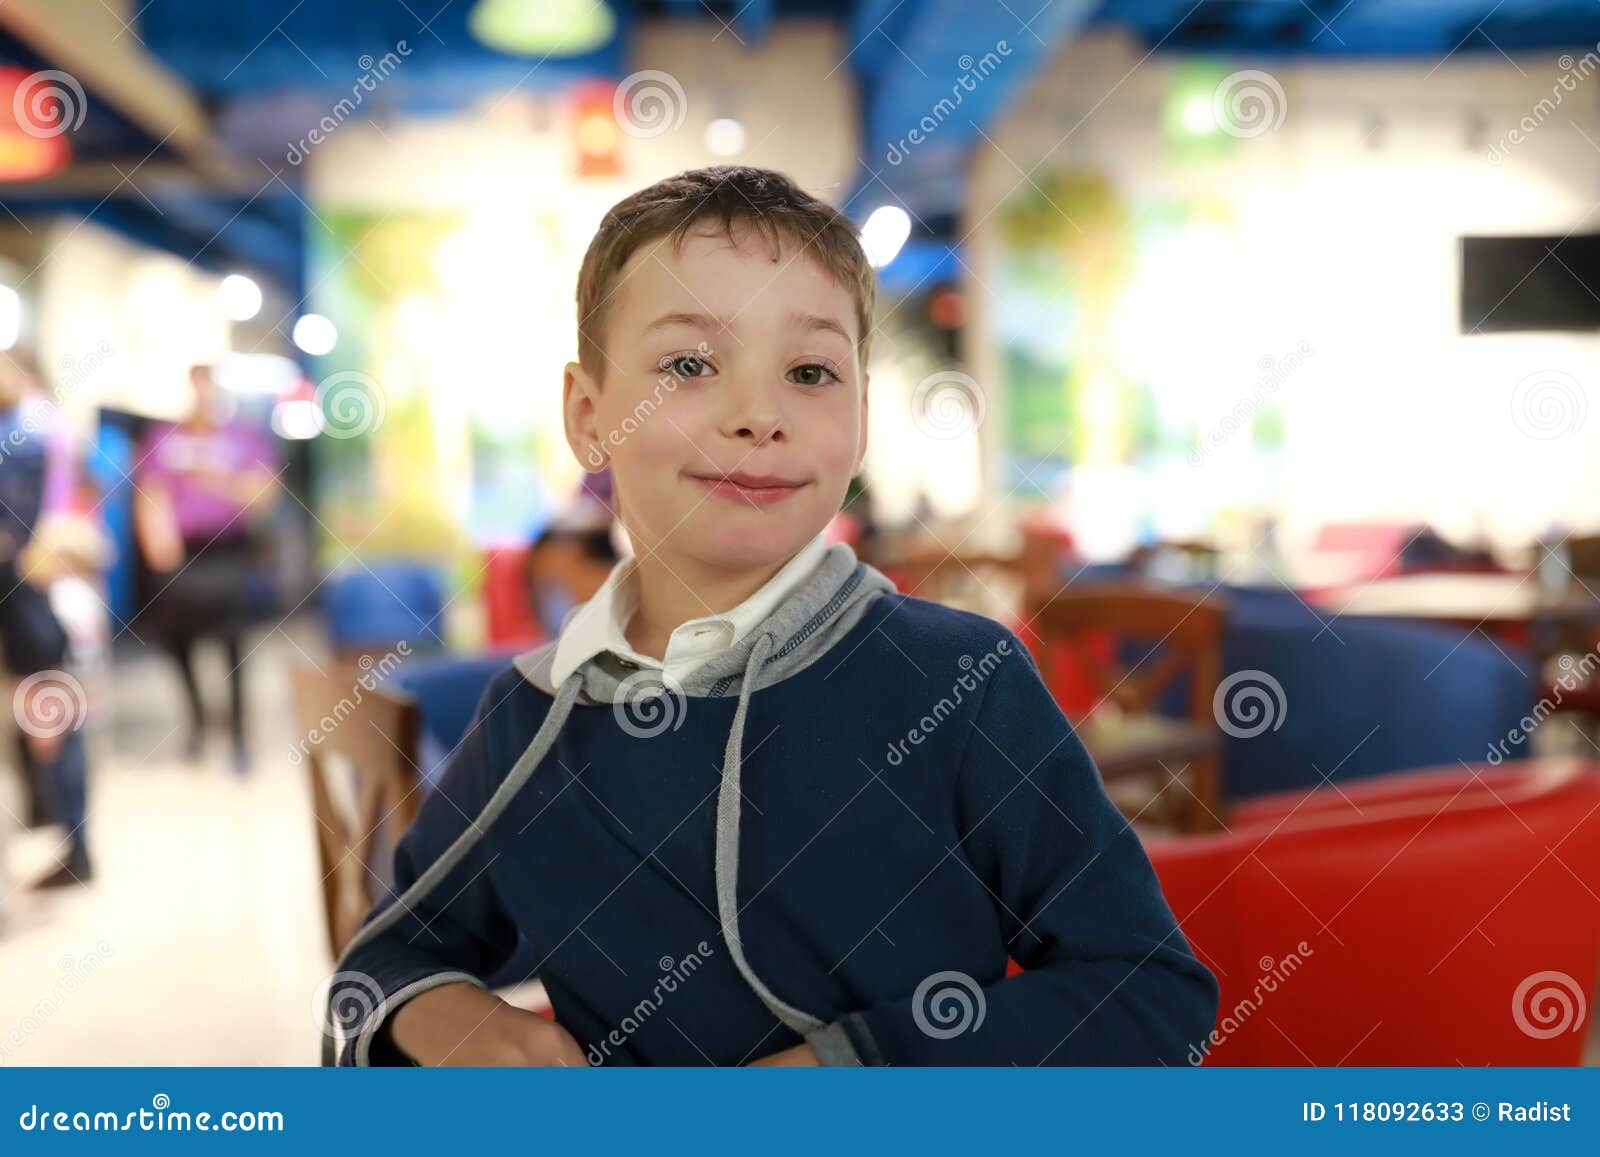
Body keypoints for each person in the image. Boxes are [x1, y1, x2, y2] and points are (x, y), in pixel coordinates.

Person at [332, 166, 1218, 1066]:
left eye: (810, 371)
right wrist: (453, 1018)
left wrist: (852, 1070)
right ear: (590, 414)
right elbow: (383, 962)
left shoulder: (960, 681)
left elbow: (1149, 991)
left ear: (860, 421)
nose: (760, 414)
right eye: (689, 364)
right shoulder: (530, 718)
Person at [132, 364, 278, 774]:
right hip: (183, 555)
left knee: (233, 645)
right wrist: (157, 540)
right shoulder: (163, 439)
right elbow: (151, 493)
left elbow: (263, 494)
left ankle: (238, 736)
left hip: (229, 552)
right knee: (175, 640)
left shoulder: (242, 438)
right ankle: (196, 718)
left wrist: (213, 477)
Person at [0, 350, 98, 888]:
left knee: (53, 725)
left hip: (34, 605)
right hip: (38, 601)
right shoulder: (45, 427)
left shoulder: (32, 428)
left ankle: (75, 844)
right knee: (54, 724)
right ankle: (72, 840)